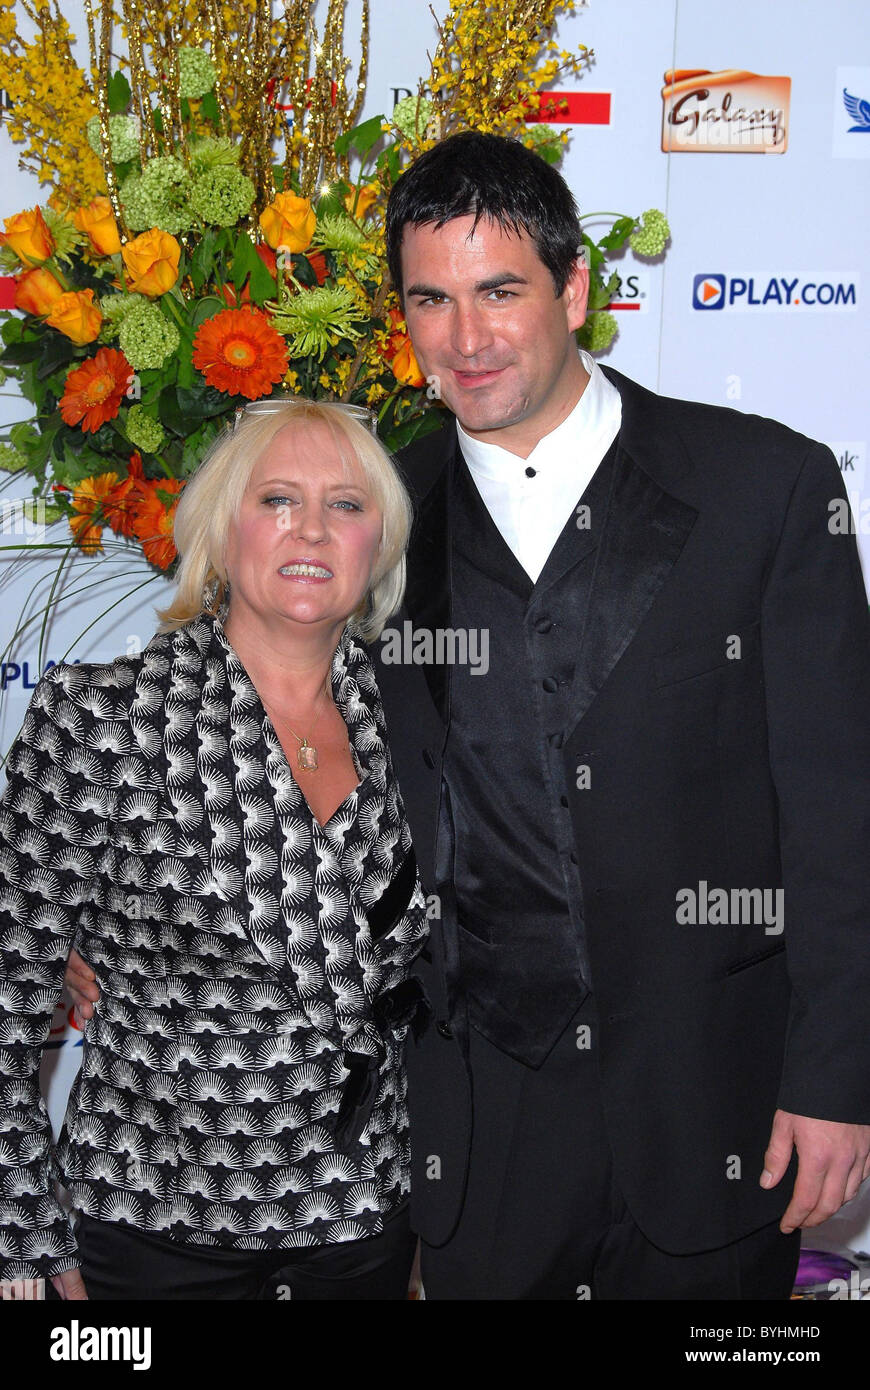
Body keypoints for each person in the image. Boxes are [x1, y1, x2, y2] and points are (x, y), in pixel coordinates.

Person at [68, 131, 870, 1301]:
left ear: (577, 290)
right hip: (477, 1124)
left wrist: (839, 1074)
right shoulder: (377, 515)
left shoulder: (766, 486)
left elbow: (841, 809)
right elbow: (253, 710)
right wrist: (107, 904)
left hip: (716, 1104)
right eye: (430, 300)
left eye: (500, 291)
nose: (466, 338)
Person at [0, 399, 429, 1300]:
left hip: (364, 1225)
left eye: (348, 505)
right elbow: (8, 1001)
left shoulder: (419, 724)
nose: (313, 528)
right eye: (278, 498)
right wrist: (29, 1242)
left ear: (379, 543)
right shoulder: (99, 719)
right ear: (219, 529)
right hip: (151, 1237)